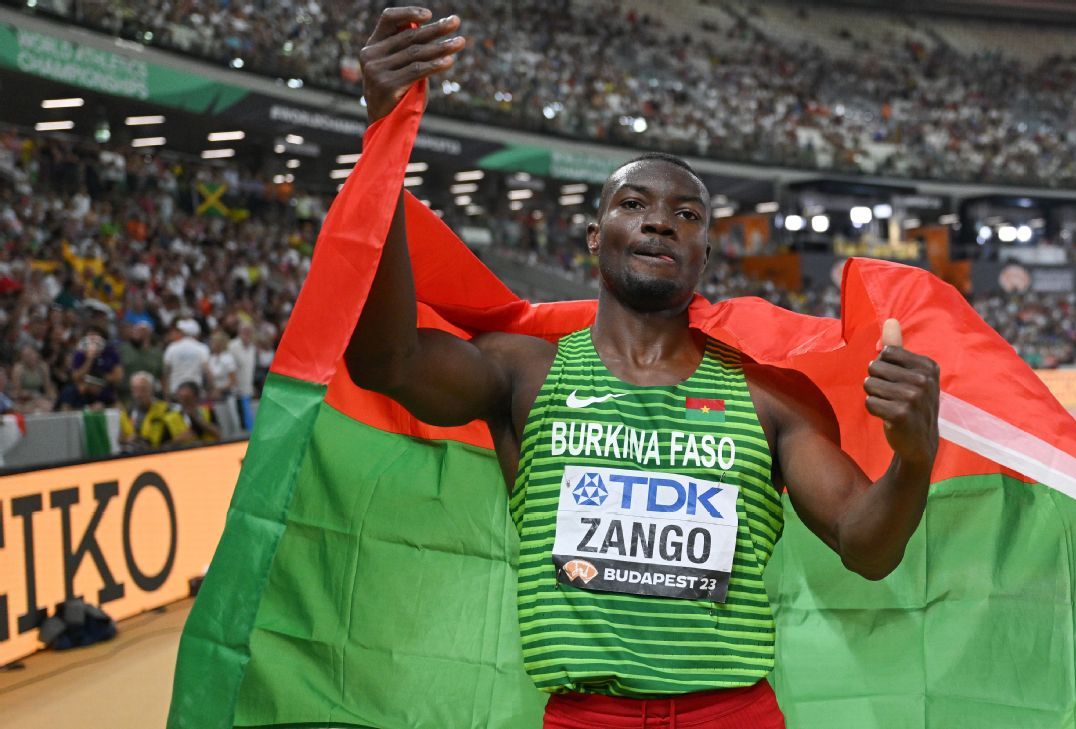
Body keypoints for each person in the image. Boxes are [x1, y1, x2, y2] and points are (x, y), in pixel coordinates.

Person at [344, 10, 940, 727]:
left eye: (687, 215)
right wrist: (383, 136)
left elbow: (867, 548)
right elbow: (384, 360)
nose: (660, 222)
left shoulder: (767, 398)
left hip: (732, 711)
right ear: (597, 237)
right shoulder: (524, 375)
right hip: (584, 712)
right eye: (634, 204)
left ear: (706, 255)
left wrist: (912, 460)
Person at [119, 371, 187, 453]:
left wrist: (163, 447)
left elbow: (184, 435)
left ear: (151, 389)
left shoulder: (167, 410)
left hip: (163, 454)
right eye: (135, 389)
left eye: (143, 389)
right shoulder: (127, 413)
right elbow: (120, 439)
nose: (139, 394)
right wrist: (128, 440)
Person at [163, 318, 210, 396]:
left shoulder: (172, 348)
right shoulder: (201, 347)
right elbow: (206, 370)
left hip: (176, 392)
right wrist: (211, 388)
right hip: (195, 391)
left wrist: (166, 394)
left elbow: (166, 372)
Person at [206, 331, 238, 399]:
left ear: (219, 344)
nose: (210, 344)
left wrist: (220, 390)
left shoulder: (228, 358)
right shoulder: (211, 358)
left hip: (227, 394)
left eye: (213, 342)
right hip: (214, 393)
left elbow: (233, 381)